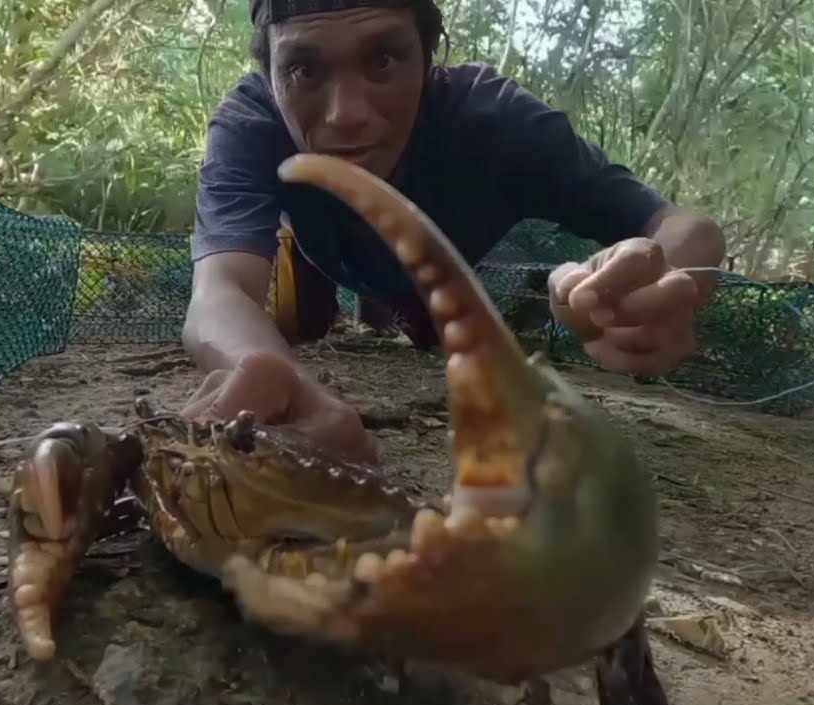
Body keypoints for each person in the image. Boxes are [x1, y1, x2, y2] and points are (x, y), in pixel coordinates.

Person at [180, 0, 726, 464]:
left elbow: (685, 228)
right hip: (316, 253)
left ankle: (395, 312)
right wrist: (275, 375)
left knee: (443, 337)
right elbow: (219, 292)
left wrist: (654, 287)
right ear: (269, 74)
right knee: (292, 324)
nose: (346, 115)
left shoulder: (496, 122)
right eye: (304, 70)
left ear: (429, 57)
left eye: (384, 59)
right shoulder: (252, 122)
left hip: (440, 273)